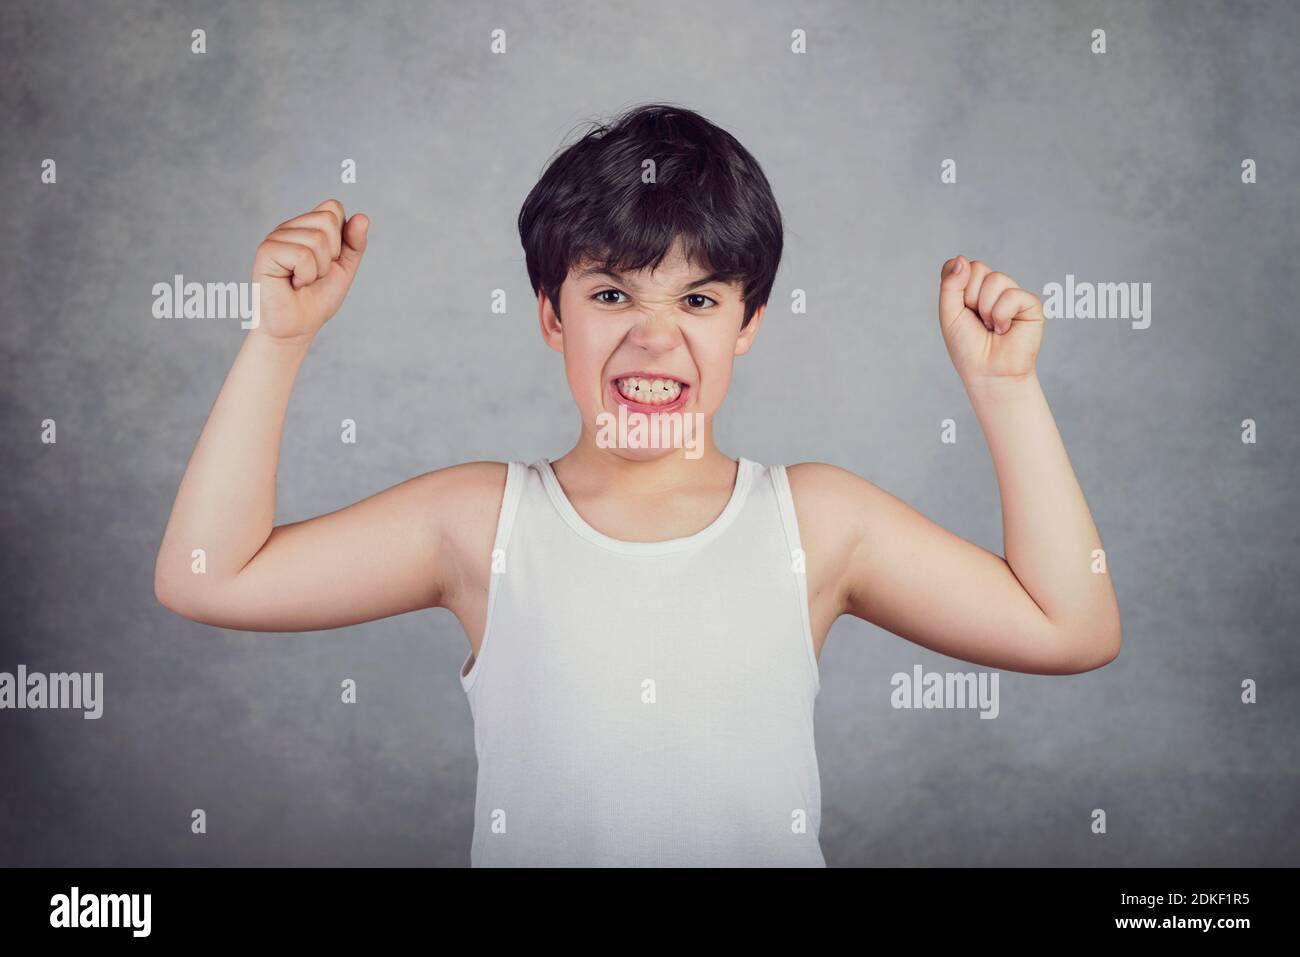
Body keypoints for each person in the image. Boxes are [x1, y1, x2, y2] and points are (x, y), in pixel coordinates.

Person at [154, 103, 1122, 867]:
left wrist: (1004, 391)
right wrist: (277, 342)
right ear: (550, 315)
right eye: (611, 293)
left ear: (747, 323)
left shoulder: (818, 523)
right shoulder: (480, 523)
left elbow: (1069, 627)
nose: (655, 337)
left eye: (698, 299)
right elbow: (209, 575)